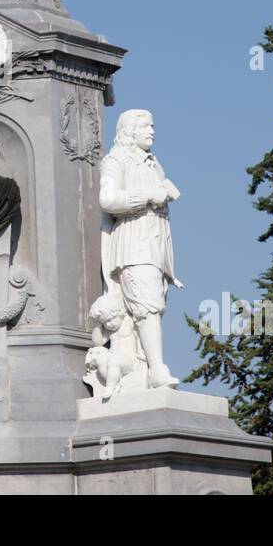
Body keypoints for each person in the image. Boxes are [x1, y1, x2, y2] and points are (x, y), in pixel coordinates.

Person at [98, 109, 183, 388]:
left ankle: (142, 367)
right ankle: (156, 370)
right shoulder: (116, 160)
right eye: (146, 126)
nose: (152, 131)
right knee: (148, 308)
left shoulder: (154, 164)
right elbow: (108, 199)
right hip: (133, 244)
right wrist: (148, 196)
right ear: (130, 131)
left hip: (156, 247)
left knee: (152, 310)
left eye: (152, 126)